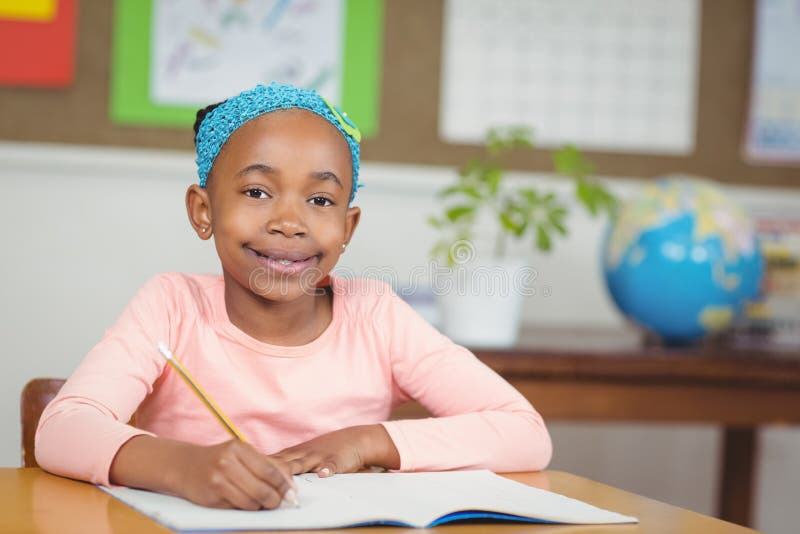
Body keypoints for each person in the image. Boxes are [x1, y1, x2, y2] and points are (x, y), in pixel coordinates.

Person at [35, 82, 552, 511]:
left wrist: (365, 441)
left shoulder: (376, 315)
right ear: (203, 210)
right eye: (257, 191)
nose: (288, 223)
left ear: (347, 227)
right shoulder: (171, 306)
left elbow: (525, 433)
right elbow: (61, 429)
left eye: (320, 200)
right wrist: (185, 467)